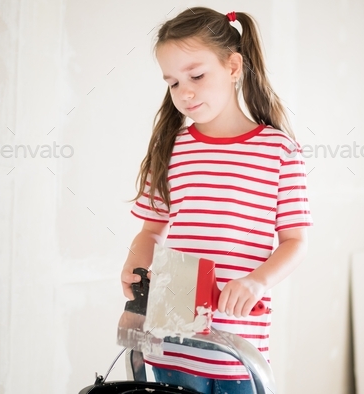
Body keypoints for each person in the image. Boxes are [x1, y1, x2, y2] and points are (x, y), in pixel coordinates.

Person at [120, 7, 313, 394]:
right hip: (170, 342)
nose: (184, 92)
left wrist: (257, 282)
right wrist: (135, 264)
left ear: (233, 66)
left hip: (236, 346)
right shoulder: (171, 147)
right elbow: (151, 231)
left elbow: (295, 242)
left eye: (196, 75)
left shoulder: (279, 151)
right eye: (173, 82)